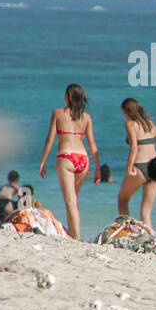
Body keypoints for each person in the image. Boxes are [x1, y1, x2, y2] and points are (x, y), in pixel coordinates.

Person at [37, 83, 100, 239]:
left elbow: (50, 140)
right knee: (73, 201)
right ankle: (73, 234)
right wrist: (98, 166)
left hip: (66, 158)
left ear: (67, 97)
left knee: (70, 201)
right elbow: (92, 144)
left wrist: (43, 161)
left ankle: (77, 237)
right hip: (83, 159)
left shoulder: (58, 113)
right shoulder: (86, 117)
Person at [117, 97, 156, 228]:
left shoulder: (130, 124)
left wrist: (129, 168)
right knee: (146, 212)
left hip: (140, 166)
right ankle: (150, 243)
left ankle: (127, 231)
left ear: (126, 111)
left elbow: (134, 147)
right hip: (155, 168)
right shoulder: (150, 123)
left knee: (123, 200)